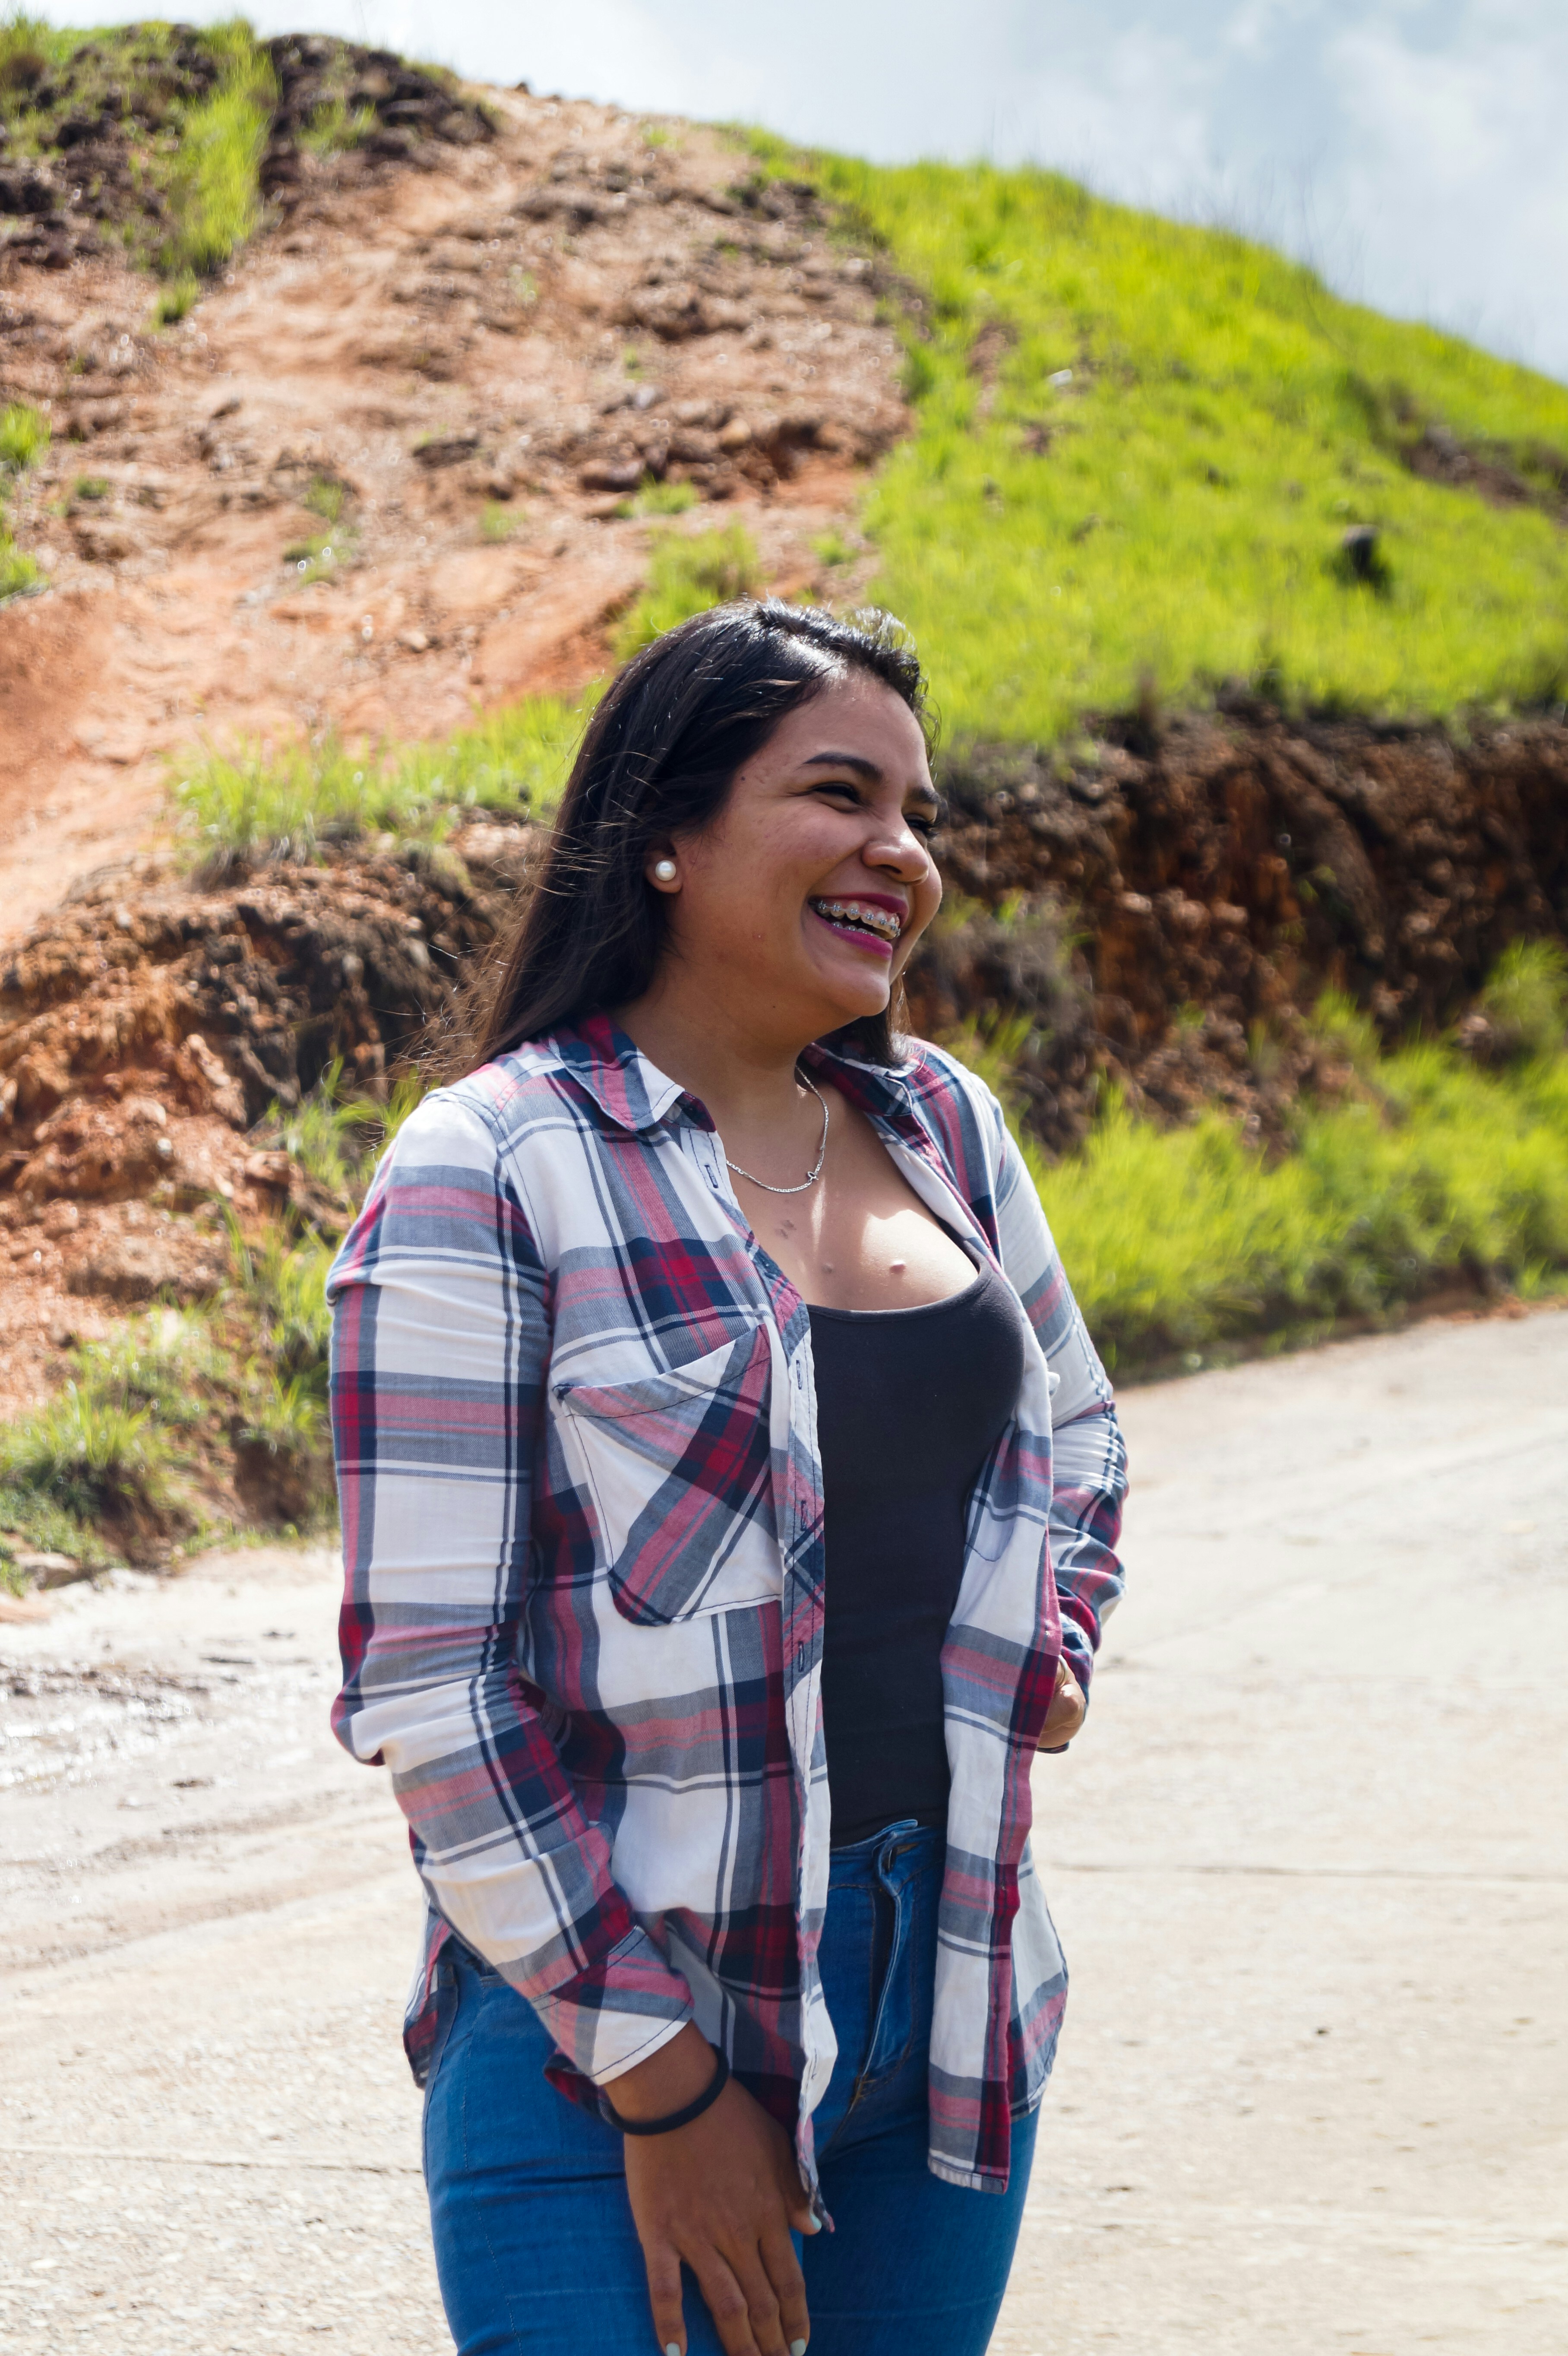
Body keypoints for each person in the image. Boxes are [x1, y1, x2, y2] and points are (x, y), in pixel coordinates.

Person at [327, 600, 1127, 2356]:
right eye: (838, 791)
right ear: (670, 836)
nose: (896, 853)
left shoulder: (944, 1129)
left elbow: (1075, 1428)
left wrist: (1051, 1631)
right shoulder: (488, 1166)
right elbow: (431, 1688)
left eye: (916, 810)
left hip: (948, 1993)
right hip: (595, 2031)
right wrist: (666, 2081)